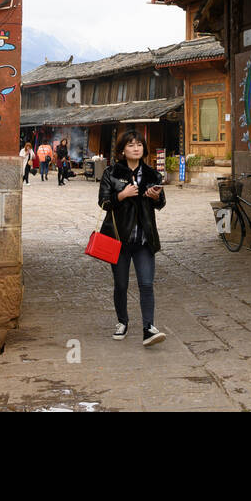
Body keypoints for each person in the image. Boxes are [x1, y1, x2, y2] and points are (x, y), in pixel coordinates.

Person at [98, 130, 167, 346]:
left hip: (144, 240)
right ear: (122, 150)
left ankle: (148, 328)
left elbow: (161, 203)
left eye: (139, 145)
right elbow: (103, 203)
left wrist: (156, 197)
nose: (136, 148)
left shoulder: (152, 175)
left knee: (146, 284)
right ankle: (122, 321)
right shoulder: (111, 173)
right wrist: (122, 195)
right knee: (121, 285)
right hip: (119, 240)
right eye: (131, 145)